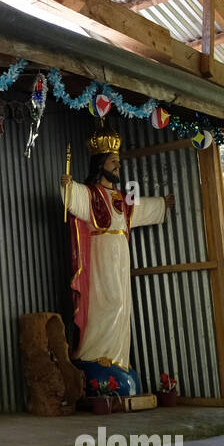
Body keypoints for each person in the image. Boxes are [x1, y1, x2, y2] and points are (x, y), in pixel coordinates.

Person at [60, 129, 175, 396]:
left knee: (123, 305)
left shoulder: (122, 199)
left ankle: (118, 358)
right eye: (113, 162)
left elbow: (140, 209)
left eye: (119, 163)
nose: (118, 166)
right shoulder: (92, 193)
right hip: (100, 256)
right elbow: (75, 199)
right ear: (101, 165)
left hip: (121, 254)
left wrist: (162, 204)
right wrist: (68, 185)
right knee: (106, 303)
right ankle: (94, 354)